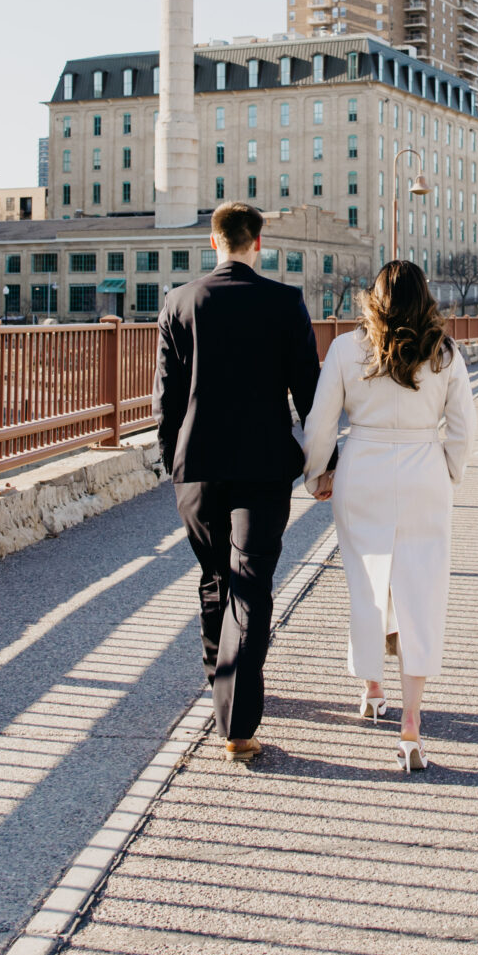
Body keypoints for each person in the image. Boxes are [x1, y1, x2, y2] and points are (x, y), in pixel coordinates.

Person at [154, 202, 321, 763]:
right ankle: (238, 724)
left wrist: (169, 461)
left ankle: (220, 687)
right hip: (263, 467)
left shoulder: (180, 302)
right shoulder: (284, 302)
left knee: (213, 579)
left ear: (213, 241)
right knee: (250, 584)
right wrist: (320, 462)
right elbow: (309, 395)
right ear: (258, 244)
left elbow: (168, 400)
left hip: (195, 467)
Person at [303, 260, 476, 773]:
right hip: (424, 471)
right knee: (421, 592)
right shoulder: (444, 352)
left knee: (367, 582)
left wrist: (318, 474)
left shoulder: (345, 348)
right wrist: (450, 472)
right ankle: (411, 726)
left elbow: (319, 422)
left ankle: (373, 688)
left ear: (373, 298)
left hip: (364, 469)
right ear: (425, 298)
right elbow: (464, 428)